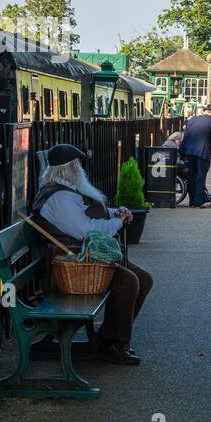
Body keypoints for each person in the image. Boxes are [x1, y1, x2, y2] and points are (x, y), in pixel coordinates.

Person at [31, 144, 152, 365]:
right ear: (65, 169)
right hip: (73, 263)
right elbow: (86, 231)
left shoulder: (66, 189)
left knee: (143, 279)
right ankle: (111, 345)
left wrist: (117, 212)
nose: (80, 168)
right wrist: (118, 222)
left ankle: (108, 339)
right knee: (129, 282)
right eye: (75, 165)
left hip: (86, 258)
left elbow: (90, 214)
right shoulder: (59, 198)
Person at [180, 105, 211, 207]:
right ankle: (198, 201)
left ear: (205, 111)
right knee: (200, 176)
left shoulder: (192, 120)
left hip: (188, 151)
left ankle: (192, 200)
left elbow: (186, 133)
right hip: (202, 152)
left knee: (191, 176)